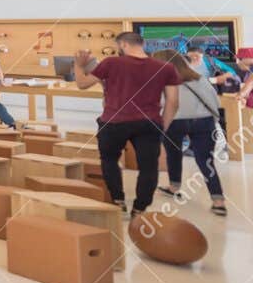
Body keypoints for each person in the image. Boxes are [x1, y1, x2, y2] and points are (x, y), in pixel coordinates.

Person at [73, 33, 178, 214]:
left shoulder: (111, 63)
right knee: (148, 167)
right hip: (149, 123)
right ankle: (139, 208)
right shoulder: (166, 68)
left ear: (122, 44)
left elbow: (82, 84)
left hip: (113, 121)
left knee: (109, 160)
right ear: (142, 44)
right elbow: (173, 102)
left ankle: (118, 199)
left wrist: (78, 65)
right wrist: (162, 127)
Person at [153, 50, 225, 216]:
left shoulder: (162, 81)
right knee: (205, 161)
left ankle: (174, 187)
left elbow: (162, 103)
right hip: (204, 121)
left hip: (174, 121)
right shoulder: (199, 78)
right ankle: (218, 201)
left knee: (173, 154)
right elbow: (215, 101)